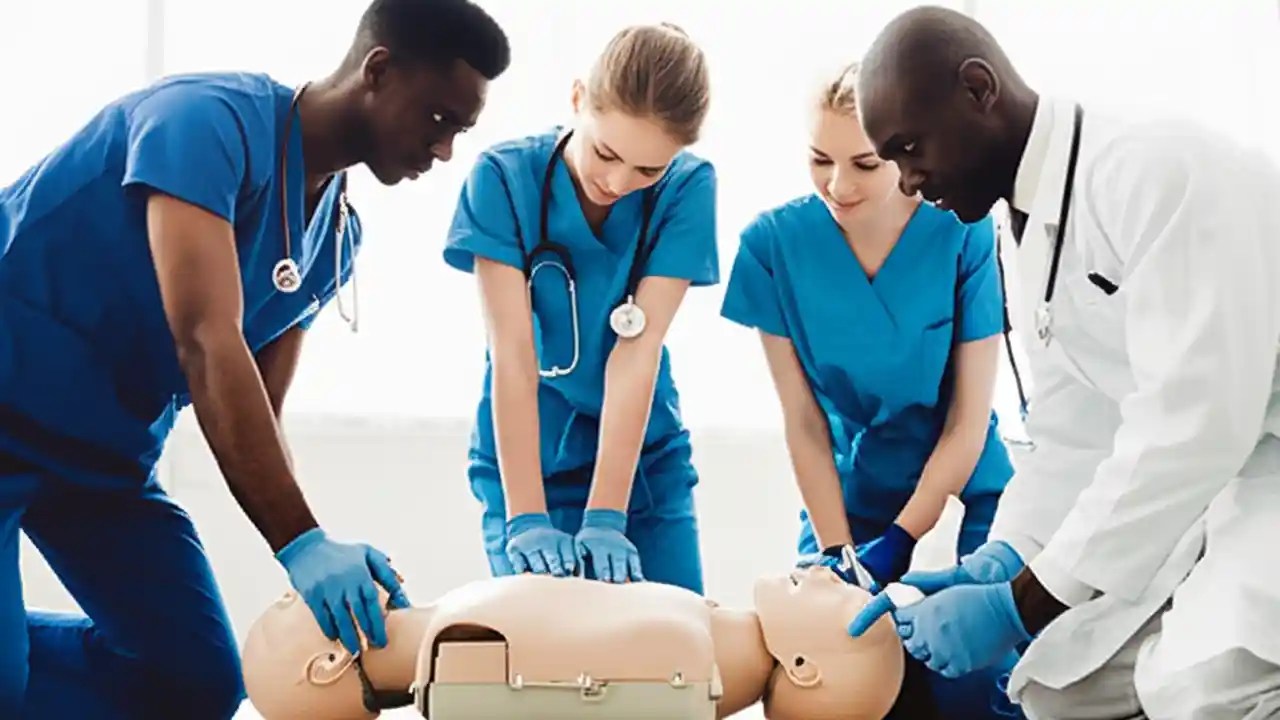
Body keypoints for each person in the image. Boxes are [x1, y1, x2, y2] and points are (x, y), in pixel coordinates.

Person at [0, 0, 509, 716]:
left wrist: (314, 552)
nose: (445, 149)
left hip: (99, 461)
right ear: (379, 69)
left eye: (461, 130)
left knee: (196, 683)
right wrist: (298, 540)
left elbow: (259, 413)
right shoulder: (205, 121)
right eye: (437, 118)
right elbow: (207, 339)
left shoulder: (333, 237)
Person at [847, 6, 1280, 718]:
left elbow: (1198, 425)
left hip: (1254, 459)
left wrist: (1019, 604)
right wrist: (1006, 557)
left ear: (979, 89)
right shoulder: (1023, 227)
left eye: (909, 147)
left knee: (1200, 685)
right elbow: (1079, 431)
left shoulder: (1154, 172)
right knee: (1060, 685)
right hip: (1217, 473)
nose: (906, 182)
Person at [443, 23, 718, 594]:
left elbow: (635, 355)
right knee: (552, 656)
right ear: (576, 100)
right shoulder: (503, 179)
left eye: (648, 170)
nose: (619, 183)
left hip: (643, 462)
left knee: (675, 651)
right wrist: (526, 516)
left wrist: (607, 515)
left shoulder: (688, 189)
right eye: (607, 152)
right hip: (530, 461)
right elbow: (513, 356)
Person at [239, 568, 905, 720]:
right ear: (328, 665)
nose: (829, 575)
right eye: (291, 604)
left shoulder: (681, 644)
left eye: (844, 599)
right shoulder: (453, 648)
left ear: (804, 669)